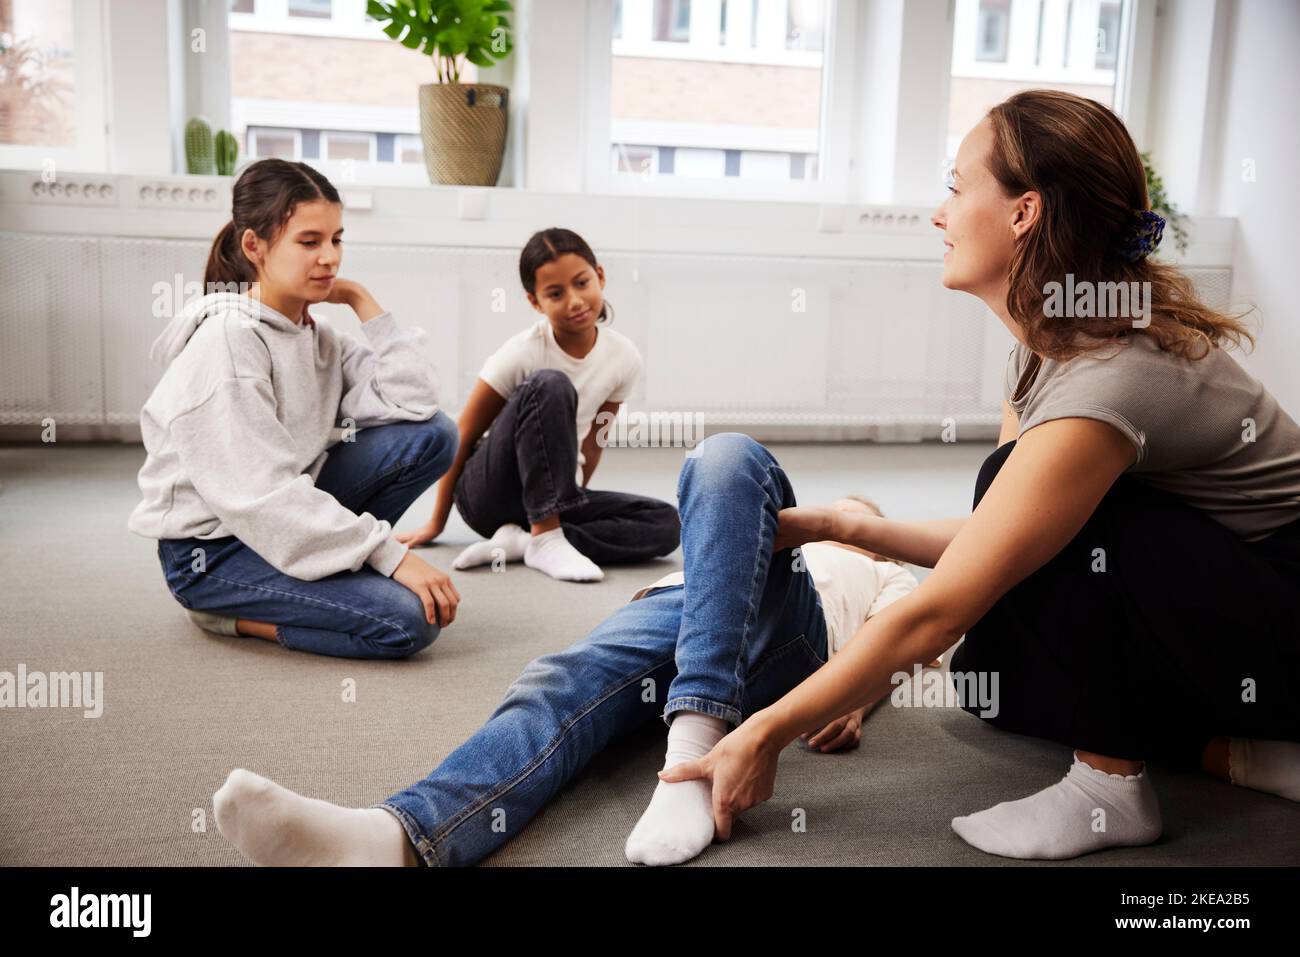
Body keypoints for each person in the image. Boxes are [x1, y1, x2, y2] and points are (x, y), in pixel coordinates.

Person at [657, 90, 1300, 861]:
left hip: (1284, 606)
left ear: (1024, 212)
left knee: (1017, 547)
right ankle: (1244, 752)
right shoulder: (1048, 335)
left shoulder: (1110, 380)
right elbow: (1006, 535)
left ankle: (1111, 789)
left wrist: (766, 731)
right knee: (992, 670)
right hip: (1229, 608)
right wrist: (842, 526)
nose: (940, 213)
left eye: (957, 187)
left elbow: (949, 600)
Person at [209, 433, 920, 866]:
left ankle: (690, 755)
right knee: (557, 681)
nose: (849, 518)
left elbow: (908, 633)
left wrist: (858, 697)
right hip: (677, 606)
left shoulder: (877, 564)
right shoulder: (768, 527)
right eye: (845, 509)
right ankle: (396, 838)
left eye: (864, 515)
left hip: (794, 634)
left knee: (728, 452)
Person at [127, 158, 461, 660]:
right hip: (214, 552)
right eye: (309, 242)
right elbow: (259, 493)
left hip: (277, 518)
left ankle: (334, 564)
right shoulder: (229, 342)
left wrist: (363, 301)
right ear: (254, 247)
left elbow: (413, 403)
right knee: (408, 622)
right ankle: (227, 615)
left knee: (433, 435)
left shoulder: (319, 337)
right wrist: (387, 555)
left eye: (337, 239)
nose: (330, 257)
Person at [397, 228, 680, 582]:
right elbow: (463, 435)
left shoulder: (624, 357)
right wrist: (435, 523)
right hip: (489, 497)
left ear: (600, 276)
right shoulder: (523, 351)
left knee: (667, 524)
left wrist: (569, 497)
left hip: (550, 492)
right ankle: (545, 536)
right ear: (536, 302)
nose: (574, 301)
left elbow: (594, 441)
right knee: (551, 384)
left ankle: (527, 541)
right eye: (556, 293)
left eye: (582, 283)